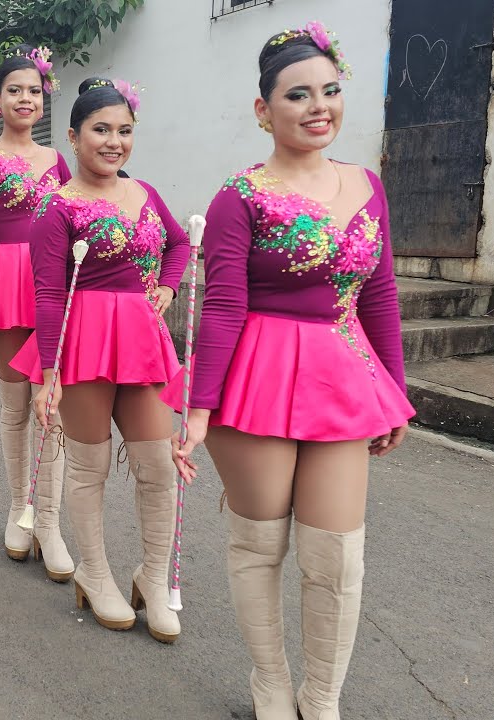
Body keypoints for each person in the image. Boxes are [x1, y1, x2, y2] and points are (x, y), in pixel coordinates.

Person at [171, 24, 414, 720]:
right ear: (263, 110)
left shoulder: (368, 187)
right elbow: (220, 305)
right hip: (256, 378)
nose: (319, 107)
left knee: (337, 556)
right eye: (298, 94)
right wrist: (198, 408)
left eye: (331, 92)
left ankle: (322, 696)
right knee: (261, 542)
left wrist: (393, 394)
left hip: (343, 375)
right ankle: (271, 684)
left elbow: (380, 293)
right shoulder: (238, 196)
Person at [11, 77, 190, 643]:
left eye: (124, 131)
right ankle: (95, 571)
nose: (114, 142)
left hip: (141, 339)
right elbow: (46, 293)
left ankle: (153, 578)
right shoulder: (56, 207)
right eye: (101, 130)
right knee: (89, 468)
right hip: (83, 339)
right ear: (73, 136)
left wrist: (167, 285)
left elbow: (180, 244)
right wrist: (48, 374)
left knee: (159, 464)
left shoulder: (146, 193)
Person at [0, 45, 74, 575]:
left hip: (55, 283)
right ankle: (18, 508)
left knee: (49, 404)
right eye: (15, 90)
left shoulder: (57, 160)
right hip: (7, 283)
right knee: (15, 407)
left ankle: (50, 523)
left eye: (34, 90)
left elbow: (80, 216)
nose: (25, 99)